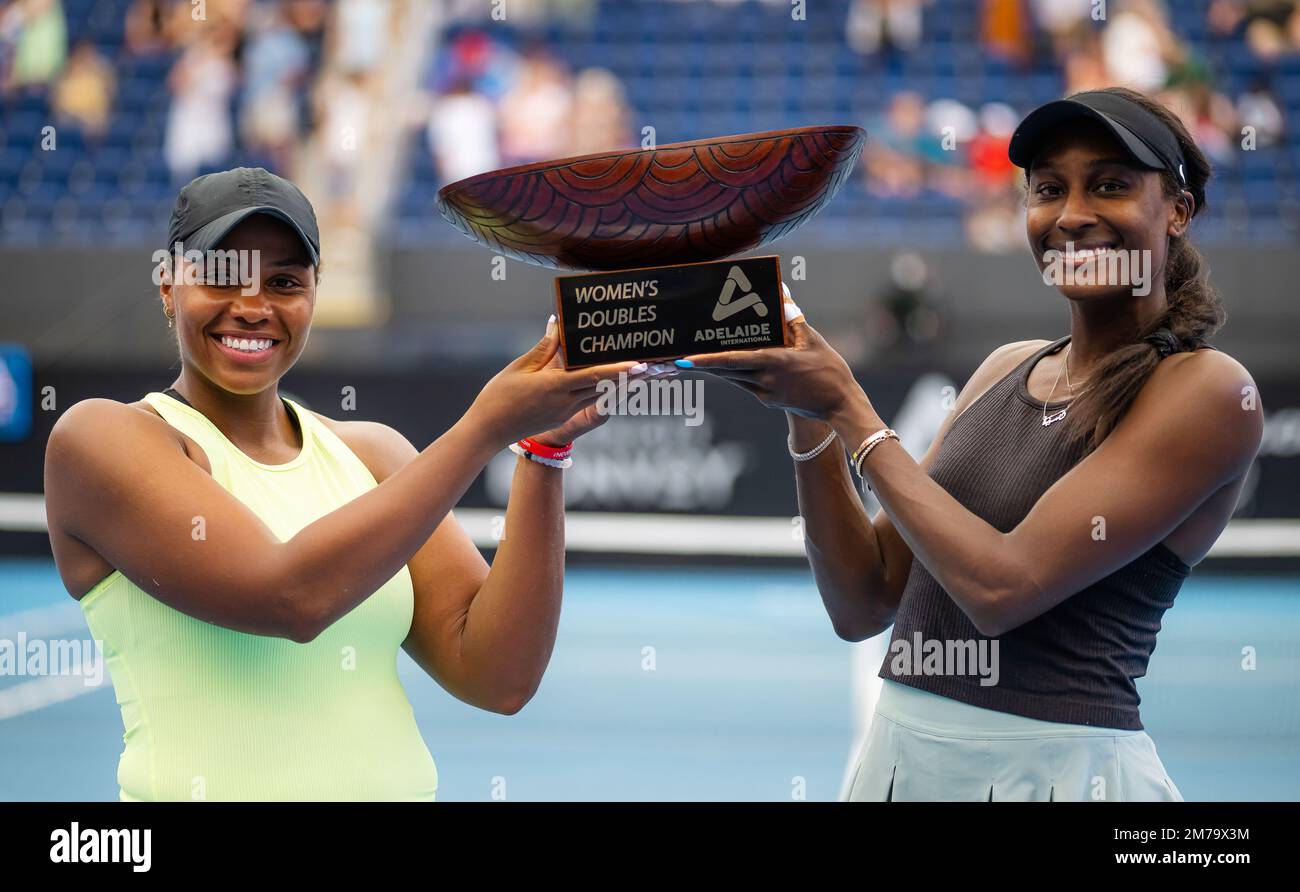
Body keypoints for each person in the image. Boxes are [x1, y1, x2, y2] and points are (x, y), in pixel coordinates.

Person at [673, 87, 1263, 801]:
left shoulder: (1208, 391)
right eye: (1048, 189)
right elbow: (861, 603)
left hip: (1060, 775)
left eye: (1109, 185)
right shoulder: (1003, 368)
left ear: (1177, 210)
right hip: (897, 765)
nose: (1072, 215)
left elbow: (1002, 588)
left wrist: (851, 409)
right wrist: (807, 416)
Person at [42, 167, 653, 801]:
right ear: (168, 285)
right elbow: (289, 599)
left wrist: (543, 446)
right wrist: (483, 428)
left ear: (313, 294)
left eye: (284, 282)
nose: (253, 307)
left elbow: (498, 676)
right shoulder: (100, 440)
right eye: (221, 276)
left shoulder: (374, 454)